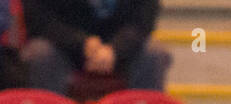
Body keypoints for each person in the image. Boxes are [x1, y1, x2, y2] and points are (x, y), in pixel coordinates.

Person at [20, 0, 171, 96]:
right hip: (65, 46)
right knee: (39, 53)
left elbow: (142, 21)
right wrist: (82, 43)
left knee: (154, 54)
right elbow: (40, 20)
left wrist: (115, 50)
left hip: (122, 48)